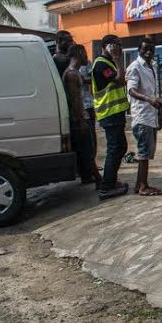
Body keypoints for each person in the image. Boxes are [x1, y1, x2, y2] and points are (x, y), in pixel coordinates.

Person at [92, 34, 130, 200]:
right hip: (109, 113)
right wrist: (117, 59)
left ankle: (110, 182)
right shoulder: (101, 64)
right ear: (106, 46)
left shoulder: (107, 63)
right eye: (116, 45)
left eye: (120, 45)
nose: (119, 49)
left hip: (115, 113)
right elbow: (121, 80)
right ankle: (106, 187)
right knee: (115, 148)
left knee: (120, 147)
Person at [126, 38, 162, 196]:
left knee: (147, 152)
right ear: (139, 50)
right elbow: (131, 90)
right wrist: (150, 100)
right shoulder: (135, 67)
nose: (148, 53)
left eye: (151, 49)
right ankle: (142, 186)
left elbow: (153, 92)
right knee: (143, 152)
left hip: (151, 115)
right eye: (145, 50)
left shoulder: (151, 66)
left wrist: (159, 115)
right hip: (142, 115)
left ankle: (140, 184)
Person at [63, 44, 99, 186]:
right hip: (80, 118)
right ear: (78, 53)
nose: (87, 57)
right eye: (84, 53)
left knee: (87, 149)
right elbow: (75, 100)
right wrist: (82, 120)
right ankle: (99, 180)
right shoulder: (71, 74)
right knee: (88, 150)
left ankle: (90, 177)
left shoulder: (76, 73)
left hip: (82, 116)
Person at [78, 56, 98, 163]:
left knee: (91, 137)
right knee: (84, 138)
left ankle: (92, 163)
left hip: (88, 104)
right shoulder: (68, 66)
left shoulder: (86, 62)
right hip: (78, 106)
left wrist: (83, 79)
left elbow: (93, 79)